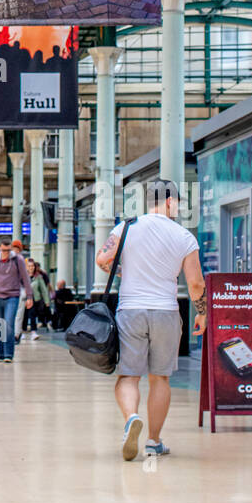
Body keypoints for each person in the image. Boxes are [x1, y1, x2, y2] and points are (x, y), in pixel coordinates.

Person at [95, 178, 206, 461]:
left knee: (129, 376)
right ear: (170, 201)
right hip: (167, 312)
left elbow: (102, 259)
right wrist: (202, 313)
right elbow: (195, 284)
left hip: (130, 311)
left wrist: (123, 271)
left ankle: (132, 417)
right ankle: (154, 441)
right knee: (160, 379)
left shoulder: (126, 227)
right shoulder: (184, 236)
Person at [0, 238, 33, 362]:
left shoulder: (18, 260)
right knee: (0, 325)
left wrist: (29, 296)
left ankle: (8, 354)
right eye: (4, 250)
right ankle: (1, 353)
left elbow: (25, 278)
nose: (6, 252)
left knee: (9, 324)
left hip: (12, 296)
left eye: (8, 250)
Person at [21, 259, 50, 341]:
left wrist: (47, 301)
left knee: (32, 315)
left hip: (34, 299)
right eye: (29, 266)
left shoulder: (38, 277)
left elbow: (43, 289)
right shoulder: (22, 276)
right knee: (24, 316)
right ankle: (23, 332)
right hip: (24, 299)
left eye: (32, 266)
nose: (31, 268)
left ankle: (33, 332)